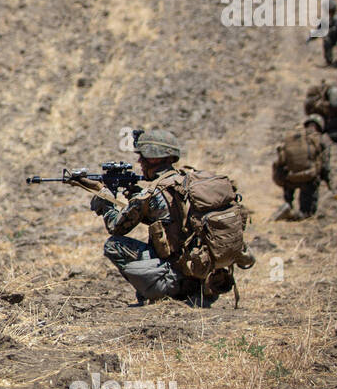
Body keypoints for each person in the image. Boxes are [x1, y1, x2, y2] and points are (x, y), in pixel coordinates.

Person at [89, 130, 253, 307]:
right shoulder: (188, 182)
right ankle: (194, 292)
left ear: (154, 158)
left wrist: (105, 199)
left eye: (143, 157)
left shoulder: (153, 193)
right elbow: (169, 219)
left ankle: (157, 292)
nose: (139, 162)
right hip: (207, 284)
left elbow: (115, 227)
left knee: (113, 245)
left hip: (174, 282)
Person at [271, 115, 333, 221]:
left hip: (288, 178)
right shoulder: (319, 140)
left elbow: (281, 160)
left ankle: (288, 204)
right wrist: (328, 181)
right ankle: (298, 214)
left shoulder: (293, 136)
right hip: (307, 178)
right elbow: (324, 165)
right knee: (308, 213)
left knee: (291, 175)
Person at [304, 74, 337, 143]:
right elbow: (334, 103)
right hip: (323, 117)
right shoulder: (336, 90)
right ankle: (328, 136)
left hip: (323, 117)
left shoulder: (334, 89)